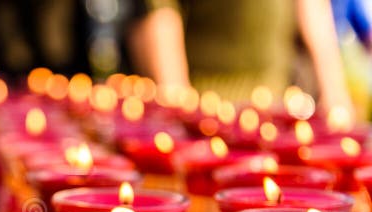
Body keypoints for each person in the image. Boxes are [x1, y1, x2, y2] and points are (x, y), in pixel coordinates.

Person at [128, 0, 354, 117]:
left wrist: (334, 91)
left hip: (279, 101)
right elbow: (159, 12)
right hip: (206, 104)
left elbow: (311, 7)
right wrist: (177, 100)